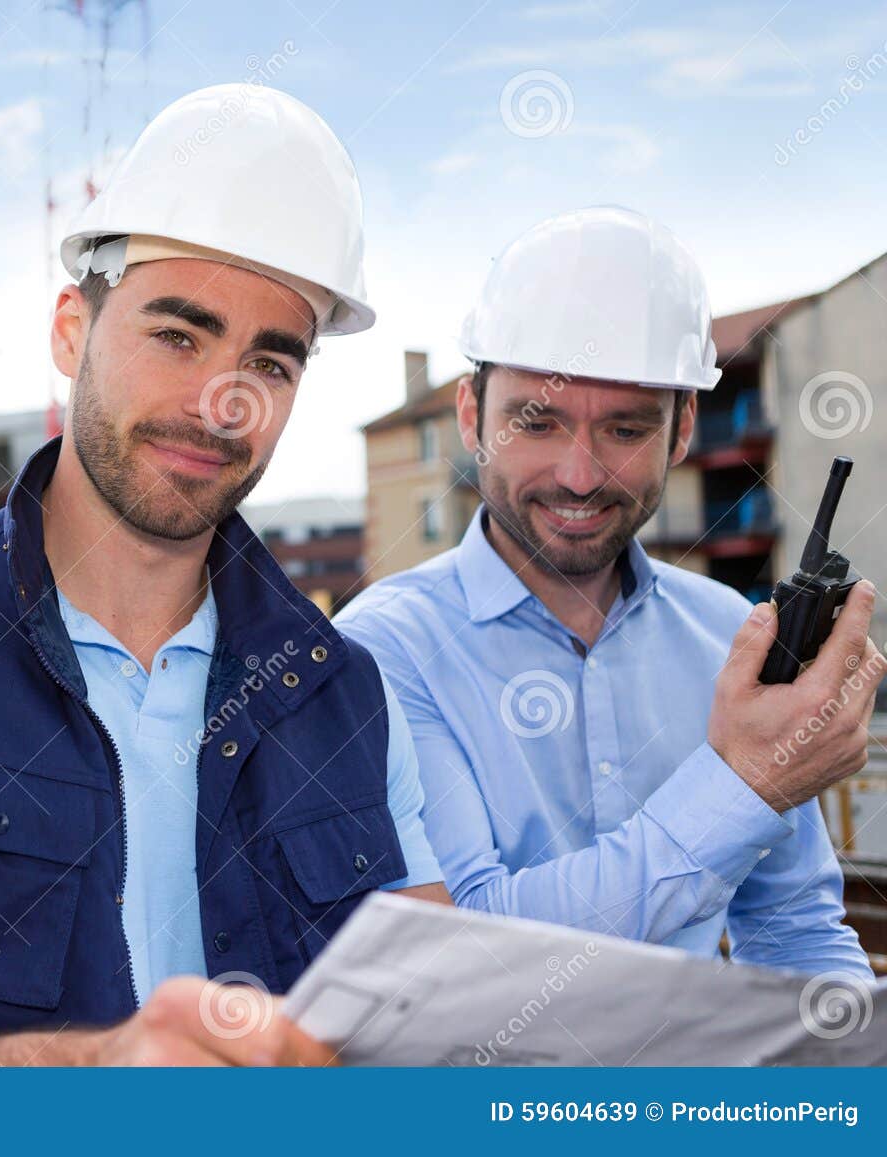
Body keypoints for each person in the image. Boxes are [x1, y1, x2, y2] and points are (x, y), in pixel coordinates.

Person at [0, 84, 449, 1068]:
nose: (221, 402)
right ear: (72, 330)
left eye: (271, 365)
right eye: (177, 336)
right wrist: (91, 1073)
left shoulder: (347, 691)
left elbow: (426, 1029)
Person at [336, 206, 879, 978]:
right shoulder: (380, 652)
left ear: (682, 429)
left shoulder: (730, 635)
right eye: (538, 423)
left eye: (625, 430)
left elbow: (796, 930)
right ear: (471, 417)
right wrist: (744, 785)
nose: (580, 475)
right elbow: (469, 950)